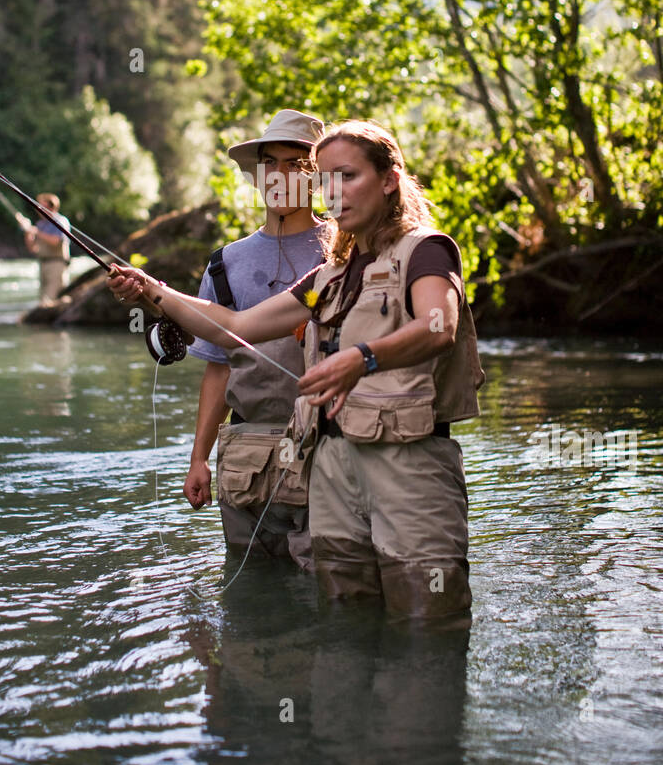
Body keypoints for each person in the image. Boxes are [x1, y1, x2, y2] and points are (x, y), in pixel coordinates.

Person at [108, 121, 484, 622]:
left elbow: (439, 327)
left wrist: (361, 358)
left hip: (410, 467)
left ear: (390, 180)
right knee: (345, 623)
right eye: (327, 180)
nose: (334, 193)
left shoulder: (426, 250)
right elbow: (236, 327)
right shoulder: (327, 277)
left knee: (425, 624)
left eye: (347, 176)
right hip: (336, 474)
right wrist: (155, 291)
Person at [184, 109, 327, 567]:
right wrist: (199, 459)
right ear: (256, 175)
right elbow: (219, 368)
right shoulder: (224, 264)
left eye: (296, 164)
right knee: (251, 589)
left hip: (331, 448)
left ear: (316, 177)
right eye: (271, 163)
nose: (281, 175)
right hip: (246, 456)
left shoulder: (348, 247)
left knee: (327, 587)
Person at [23, 193, 71, 303]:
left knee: (51, 301)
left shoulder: (61, 221)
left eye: (41, 206)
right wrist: (27, 232)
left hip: (56, 265)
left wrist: (37, 232)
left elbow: (56, 241)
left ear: (51, 207)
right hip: (43, 265)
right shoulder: (40, 224)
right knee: (43, 301)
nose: (38, 209)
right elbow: (33, 248)